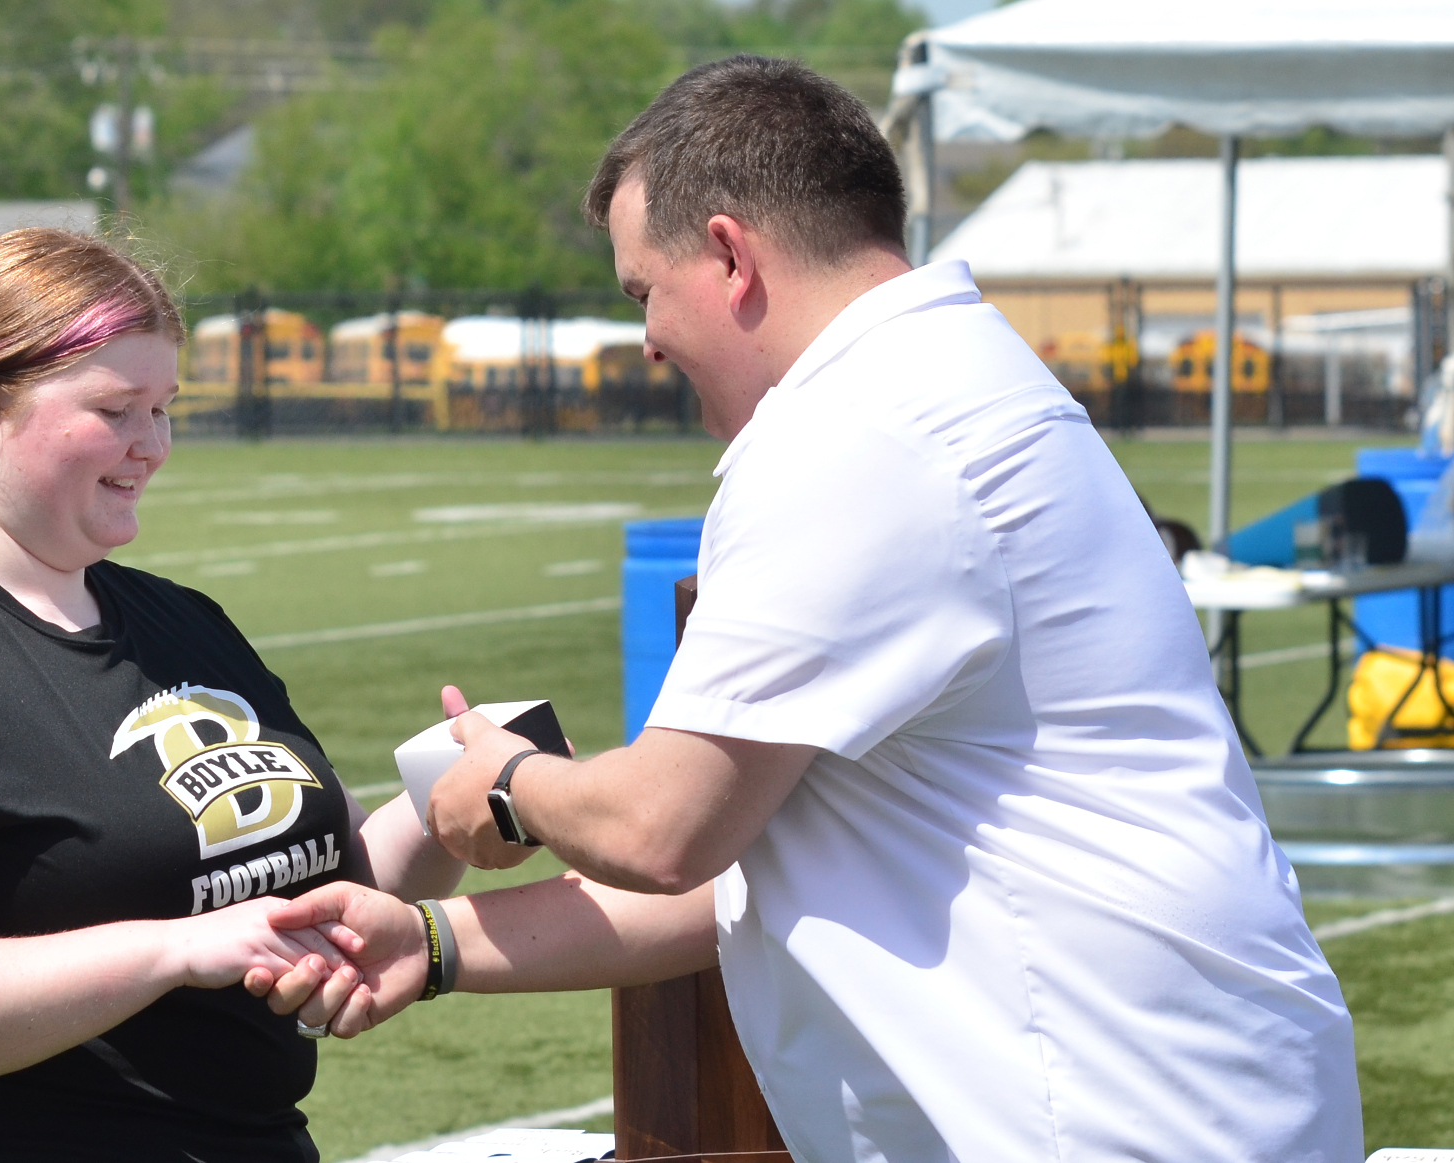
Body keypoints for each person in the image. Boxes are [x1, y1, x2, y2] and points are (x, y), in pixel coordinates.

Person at [261, 56, 1364, 1163]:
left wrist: (509, 781)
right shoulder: (947, 375)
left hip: (1104, 1113)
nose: (648, 339)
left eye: (645, 291)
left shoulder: (854, 430)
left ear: (731, 256)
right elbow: (746, 865)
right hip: (1166, 1089)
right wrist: (433, 940)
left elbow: (664, 829)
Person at [0, 228, 463, 1163]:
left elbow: (323, 876)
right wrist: (175, 948)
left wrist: (456, 803)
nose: (152, 446)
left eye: (164, 409)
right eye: (116, 409)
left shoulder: (184, 620)